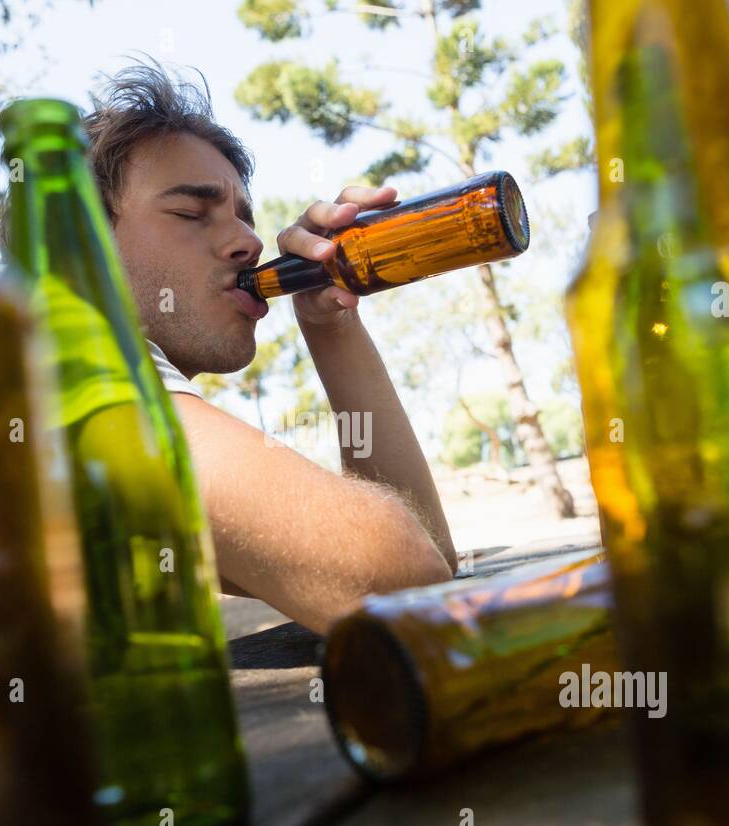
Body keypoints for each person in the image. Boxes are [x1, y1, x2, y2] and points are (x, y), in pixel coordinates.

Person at [73, 59, 456, 634]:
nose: (250, 241)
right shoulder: (65, 361)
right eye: (190, 212)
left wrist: (331, 326)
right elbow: (400, 582)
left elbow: (425, 571)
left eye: (244, 217)